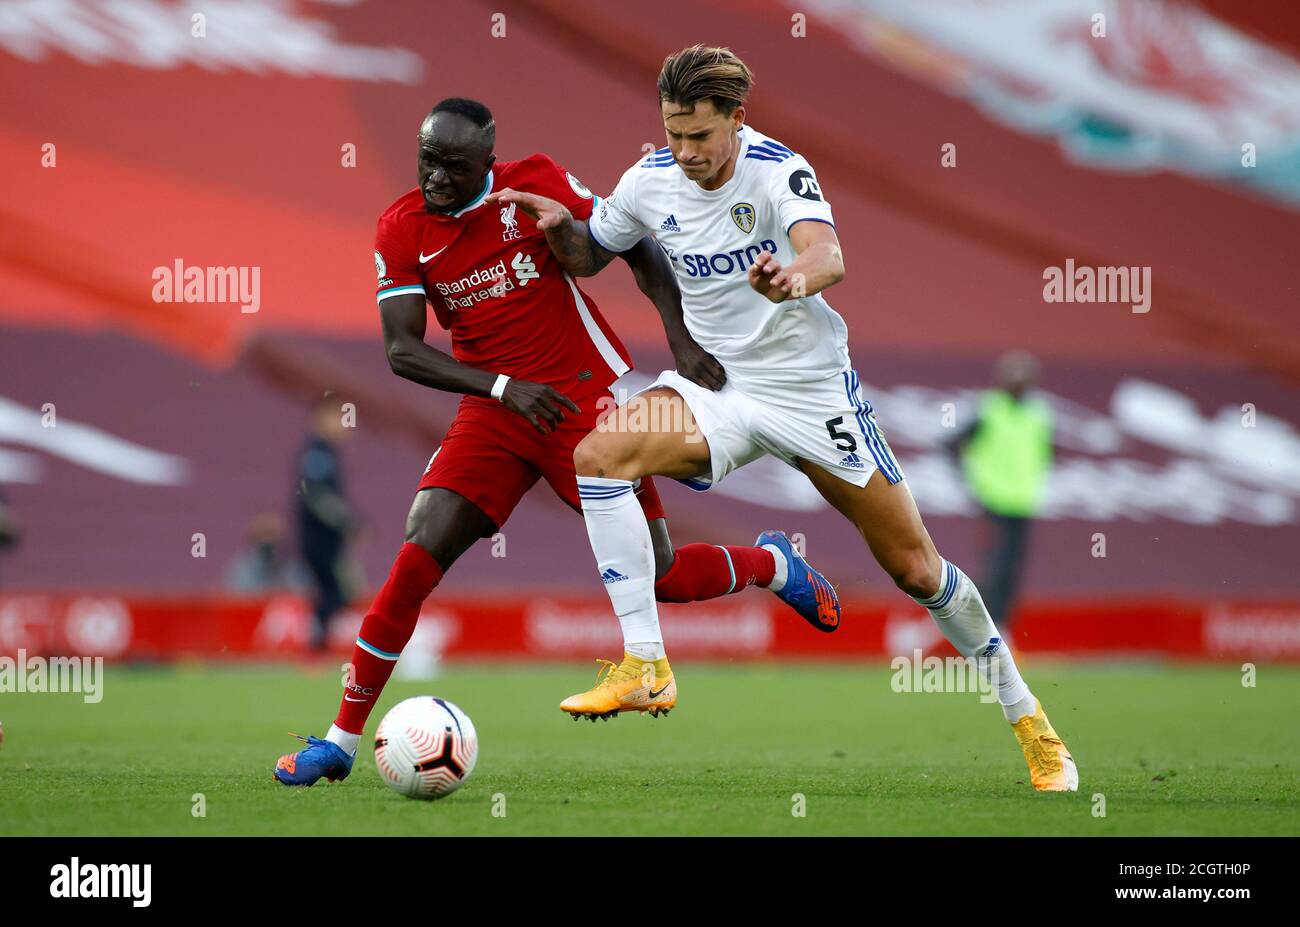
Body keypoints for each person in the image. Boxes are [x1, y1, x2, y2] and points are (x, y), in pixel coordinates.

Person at [492, 47, 1077, 791]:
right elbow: (593, 250)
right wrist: (558, 229)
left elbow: (826, 253)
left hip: (809, 391)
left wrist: (791, 277)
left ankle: (1032, 723)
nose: (685, 151)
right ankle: (646, 662)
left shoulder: (778, 170)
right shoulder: (649, 181)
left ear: (736, 119)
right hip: (718, 389)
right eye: (673, 133)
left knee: (916, 568)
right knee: (599, 458)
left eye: (700, 135)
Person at [274, 98, 840, 787]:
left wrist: (681, 340)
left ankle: (770, 564)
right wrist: (503, 388)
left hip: (582, 400)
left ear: (489, 161)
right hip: (494, 409)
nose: (438, 178)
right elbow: (401, 351)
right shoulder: (402, 228)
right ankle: (340, 740)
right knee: (417, 551)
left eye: (455, 166)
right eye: (428, 162)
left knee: (660, 576)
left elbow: (633, 243)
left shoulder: (534, 180)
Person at [950, 351, 1054, 634]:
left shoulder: (1040, 414)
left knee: (1012, 570)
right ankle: (986, 632)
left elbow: (1047, 452)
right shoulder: (989, 410)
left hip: (1023, 502)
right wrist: (968, 481)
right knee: (994, 569)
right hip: (993, 500)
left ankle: (1002, 630)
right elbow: (952, 443)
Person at [295, 395, 360, 651]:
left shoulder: (324, 452)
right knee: (335, 592)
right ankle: (315, 643)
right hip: (319, 540)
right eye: (340, 418)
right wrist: (348, 523)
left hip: (325, 540)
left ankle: (318, 643)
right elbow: (317, 497)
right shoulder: (318, 453)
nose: (345, 425)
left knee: (334, 592)